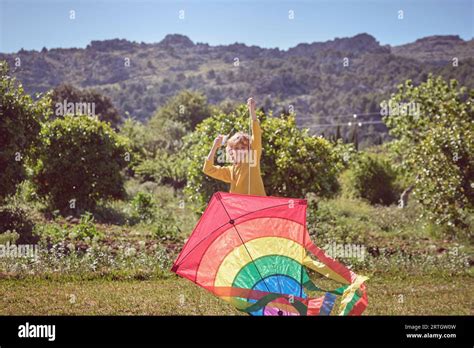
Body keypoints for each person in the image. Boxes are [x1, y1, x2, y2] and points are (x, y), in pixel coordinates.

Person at [203, 97, 266, 196]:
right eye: (236, 148)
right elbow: (208, 169)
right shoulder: (230, 171)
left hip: (257, 206)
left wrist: (251, 111)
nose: (240, 150)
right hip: (240, 209)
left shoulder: (253, 158)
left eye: (243, 148)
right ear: (231, 151)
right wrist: (215, 147)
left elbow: (256, 133)